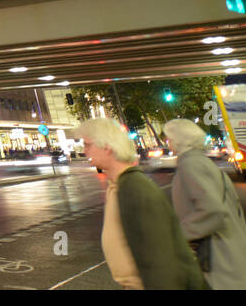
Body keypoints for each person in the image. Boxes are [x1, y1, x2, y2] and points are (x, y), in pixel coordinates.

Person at [76, 118, 207, 290]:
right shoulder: (118, 185)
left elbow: (160, 258)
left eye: (87, 144)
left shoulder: (135, 187)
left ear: (106, 146)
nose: (84, 150)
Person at [164, 119, 246, 290]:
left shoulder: (190, 164)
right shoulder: (202, 162)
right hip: (230, 248)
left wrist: (180, 234)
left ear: (179, 139)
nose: (167, 142)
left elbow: (213, 210)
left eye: (169, 138)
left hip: (218, 256)